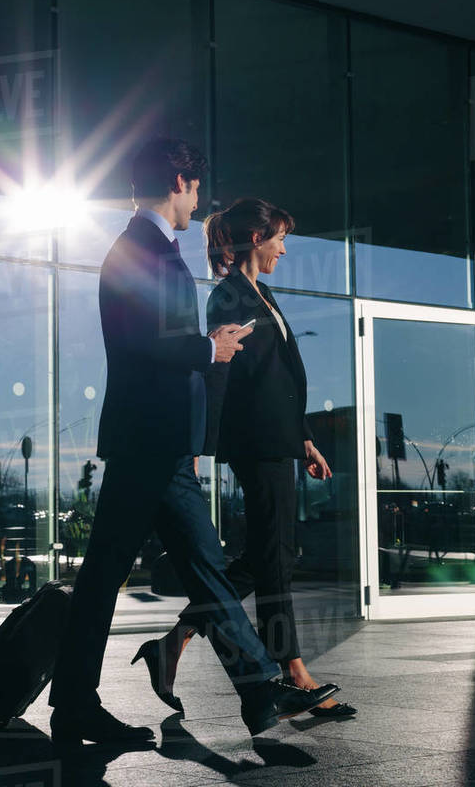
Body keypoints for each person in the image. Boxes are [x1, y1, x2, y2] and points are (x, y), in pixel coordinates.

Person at [49, 140, 337, 744]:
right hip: (151, 440)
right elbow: (141, 342)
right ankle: (257, 689)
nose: (198, 201)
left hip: (156, 442)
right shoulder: (141, 249)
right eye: (195, 188)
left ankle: (253, 692)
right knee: (188, 569)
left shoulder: (146, 247)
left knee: (143, 574)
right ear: (179, 181)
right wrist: (211, 349)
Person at [132, 197, 355, 718]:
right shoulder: (229, 299)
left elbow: (279, 378)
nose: (284, 247)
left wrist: (304, 438)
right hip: (254, 445)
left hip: (279, 441)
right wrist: (198, 447)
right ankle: (292, 673)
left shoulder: (263, 293)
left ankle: (176, 641)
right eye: (279, 236)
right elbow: (217, 379)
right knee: (275, 559)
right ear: (256, 238)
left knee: (265, 558)